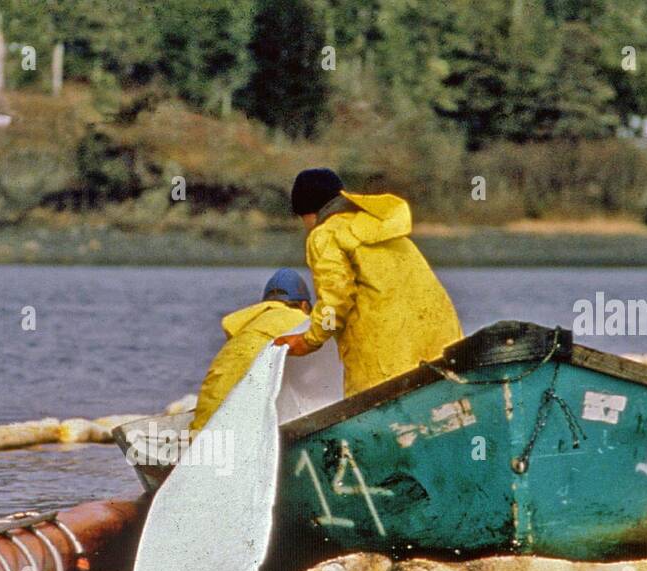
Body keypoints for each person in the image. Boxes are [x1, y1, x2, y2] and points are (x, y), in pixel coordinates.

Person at [273, 168, 463, 397]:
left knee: (372, 407)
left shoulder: (324, 234)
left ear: (307, 212)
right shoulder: (382, 226)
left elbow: (336, 298)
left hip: (387, 356)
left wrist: (311, 340)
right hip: (442, 340)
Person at [189, 269, 313, 433]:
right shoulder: (301, 322)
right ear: (304, 305)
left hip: (201, 431)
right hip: (242, 434)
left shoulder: (246, 327)